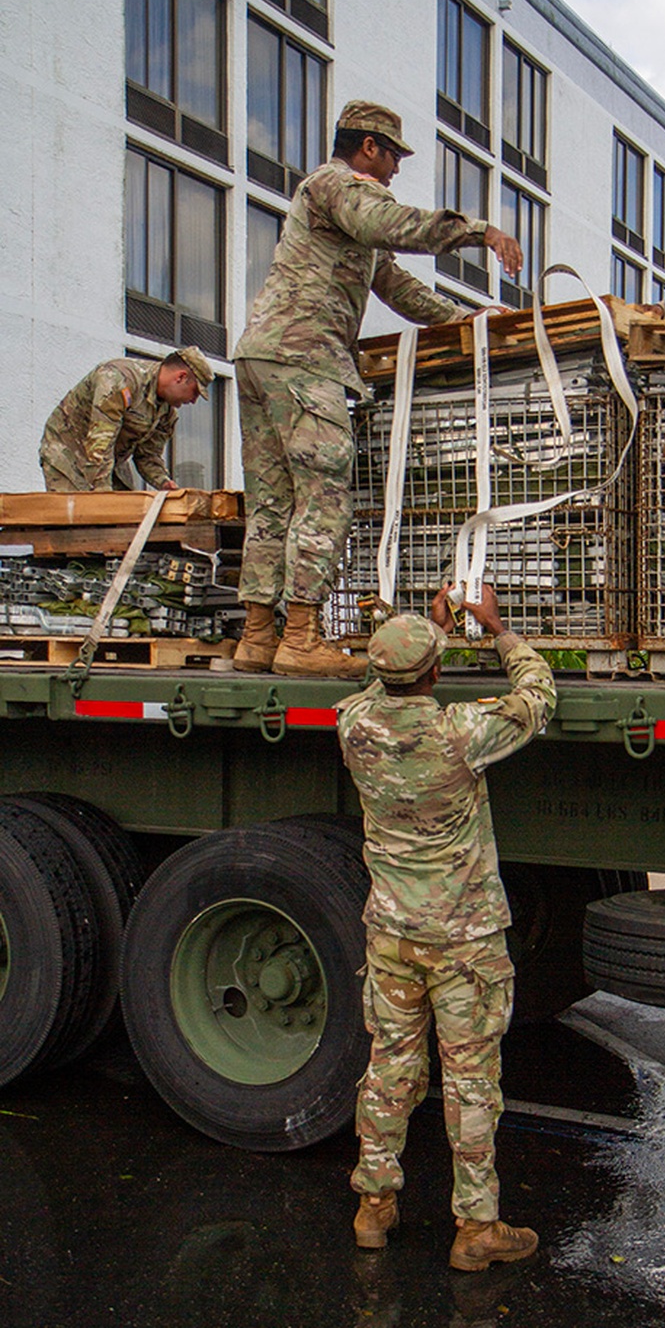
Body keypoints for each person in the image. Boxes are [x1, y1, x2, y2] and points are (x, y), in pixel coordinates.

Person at [232, 100, 524, 680]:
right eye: (393, 158)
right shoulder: (337, 186)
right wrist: (479, 231)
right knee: (324, 494)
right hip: (304, 357)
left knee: (273, 503)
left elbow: (394, 285)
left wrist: (461, 319)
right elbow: (391, 223)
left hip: (264, 356)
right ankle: (301, 637)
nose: (394, 172)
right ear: (369, 147)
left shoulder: (343, 216)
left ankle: (258, 636)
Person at [337, 582, 556, 1272]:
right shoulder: (461, 731)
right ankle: (475, 1228)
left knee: (390, 1067)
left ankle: (374, 1206)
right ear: (434, 673)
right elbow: (537, 697)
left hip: (392, 933)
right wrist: (498, 630)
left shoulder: (355, 726)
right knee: (470, 1081)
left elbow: (380, 688)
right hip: (463, 940)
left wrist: (427, 637)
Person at [38, 347, 213, 492]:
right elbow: (100, 441)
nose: (193, 401)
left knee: (126, 513)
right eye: (195, 392)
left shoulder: (166, 413)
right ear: (181, 377)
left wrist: (164, 483)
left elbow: (147, 456)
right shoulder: (118, 379)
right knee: (85, 514)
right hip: (69, 451)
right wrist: (102, 492)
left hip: (111, 460)